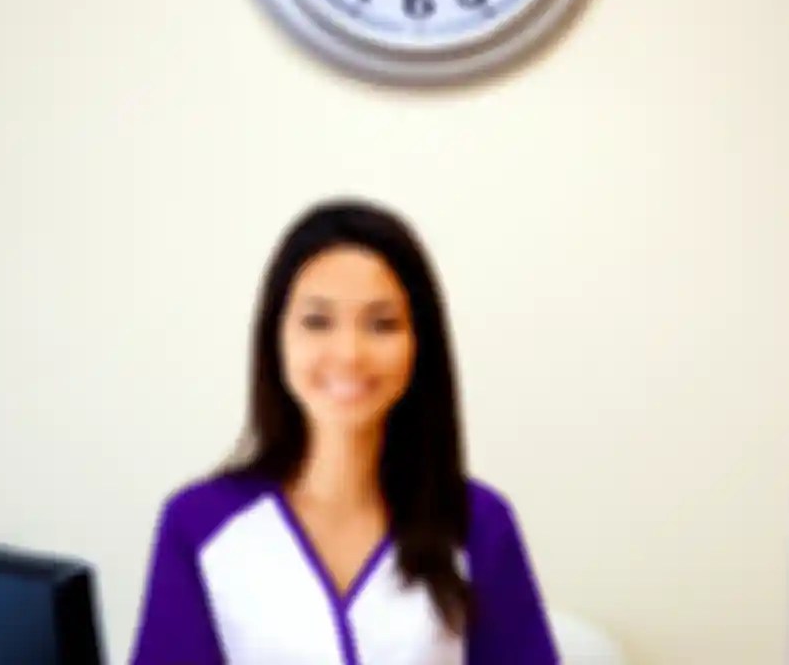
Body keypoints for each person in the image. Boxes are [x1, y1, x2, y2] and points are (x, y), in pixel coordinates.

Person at [130, 198, 560, 664]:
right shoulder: (199, 525)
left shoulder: (478, 524)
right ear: (276, 338)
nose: (349, 353)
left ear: (420, 345)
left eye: (382, 324)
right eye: (317, 321)